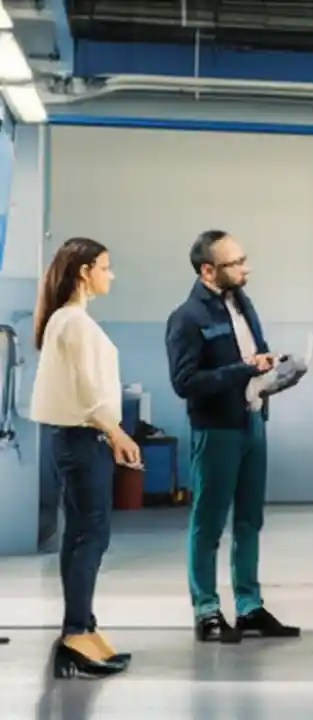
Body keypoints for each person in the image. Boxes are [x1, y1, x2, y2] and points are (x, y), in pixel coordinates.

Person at [165, 230, 299, 644]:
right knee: (207, 524)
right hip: (216, 430)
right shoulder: (187, 318)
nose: (246, 268)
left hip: (252, 422)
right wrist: (245, 369)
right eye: (236, 263)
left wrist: (276, 372)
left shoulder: (244, 304)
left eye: (244, 258)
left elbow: (254, 359)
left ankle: (249, 607)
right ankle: (206, 610)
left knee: (249, 520)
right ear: (209, 270)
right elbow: (185, 382)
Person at [30, 237, 142, 679]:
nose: (110, 275)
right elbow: (89, 390)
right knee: (89, 537)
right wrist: (116, 433)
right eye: (106, 267)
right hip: (83, 439)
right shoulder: (73, 322)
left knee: (81, 534)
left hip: (75, 439)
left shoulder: (67, 320)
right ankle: (76, 633)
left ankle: (82, 628)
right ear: (84, 272)